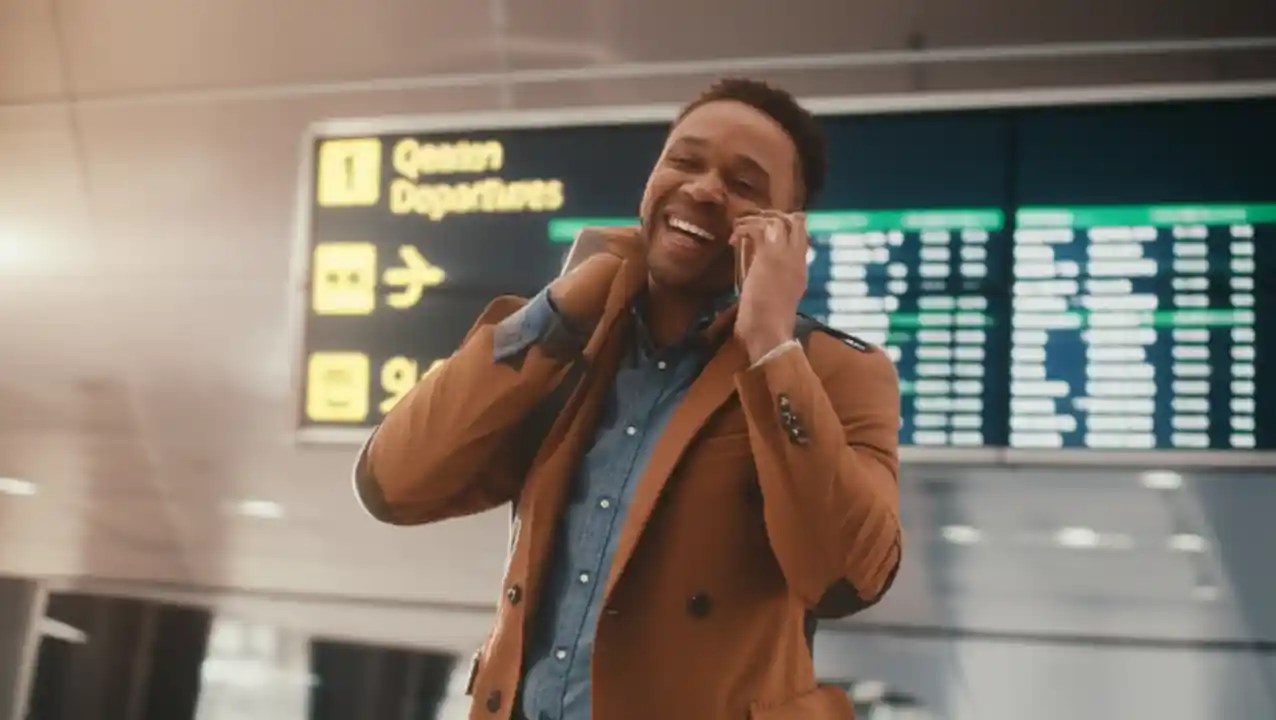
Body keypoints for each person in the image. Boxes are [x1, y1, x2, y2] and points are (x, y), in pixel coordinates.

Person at [354, 78, 902, 720]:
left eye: (743, 184)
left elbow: (844, 577)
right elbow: (392, 484)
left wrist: (771, 347)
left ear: (785, 231)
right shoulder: (570, 342)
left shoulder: (830, 371)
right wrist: (555, 311)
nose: (702, 188)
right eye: (684, 161)